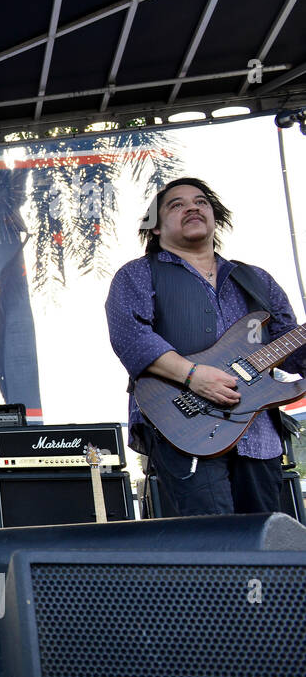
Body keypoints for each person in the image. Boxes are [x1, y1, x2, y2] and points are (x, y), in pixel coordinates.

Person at [105, 177, 306, 516]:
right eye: (177, 204)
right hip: (185, 424)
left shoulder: (257, 279)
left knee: (263, 539)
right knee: (215, 542)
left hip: (258, 435)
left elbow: (294, 353)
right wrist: (193, 376)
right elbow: (130, 337)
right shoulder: (138, 274)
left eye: (201, 202)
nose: (192, 208)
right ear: (154, 228)